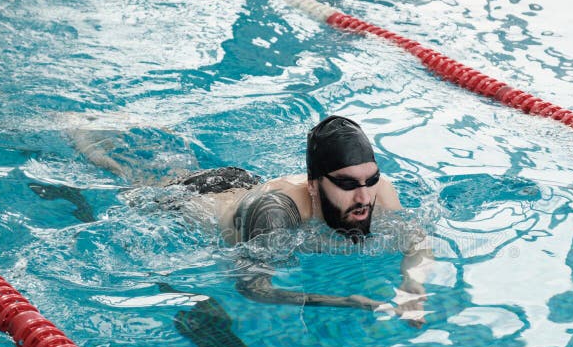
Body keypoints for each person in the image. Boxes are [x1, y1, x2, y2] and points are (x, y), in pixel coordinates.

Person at [65, 114, 431, 322]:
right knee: (131, 181)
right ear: (315, 186)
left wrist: (413, 286)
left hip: (244, 184)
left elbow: (418, 241)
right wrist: (346, 301)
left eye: (370, 180)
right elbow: (254, 288)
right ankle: (77, 130)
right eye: (348, 185)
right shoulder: (275, 215)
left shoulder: (377, 191)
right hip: (197, 199)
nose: (364, 196)